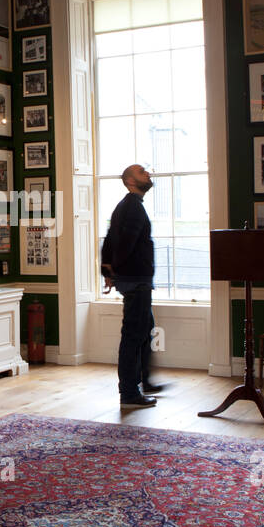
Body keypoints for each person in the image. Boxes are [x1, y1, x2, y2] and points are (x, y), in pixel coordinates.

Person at [100, 164, 167, 409]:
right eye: (141, 172)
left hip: (135, 280)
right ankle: (129, 392)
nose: (148, 174)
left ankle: (144, 381)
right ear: (130, 181)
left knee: (146, 329)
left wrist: (107, 269)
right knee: (133, 335)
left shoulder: (127, 206)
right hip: (136, 281)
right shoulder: (132, 208)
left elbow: (109, 238)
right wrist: (114, 270)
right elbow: (124, 243)